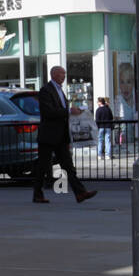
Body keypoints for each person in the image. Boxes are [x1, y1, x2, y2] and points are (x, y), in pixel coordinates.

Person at [32, 65, 96, 204]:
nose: (64, 76)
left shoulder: (60, 90)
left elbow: (62, 110)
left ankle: (80, 193)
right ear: (54, 75)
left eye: (64, 74)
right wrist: (69, 111)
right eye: (62, 73)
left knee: (68, 165)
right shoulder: (46, 90)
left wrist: (73, 112)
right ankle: (37, 194)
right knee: (43, 166)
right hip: (48, 135)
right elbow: (48, 112)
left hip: (61, 135)